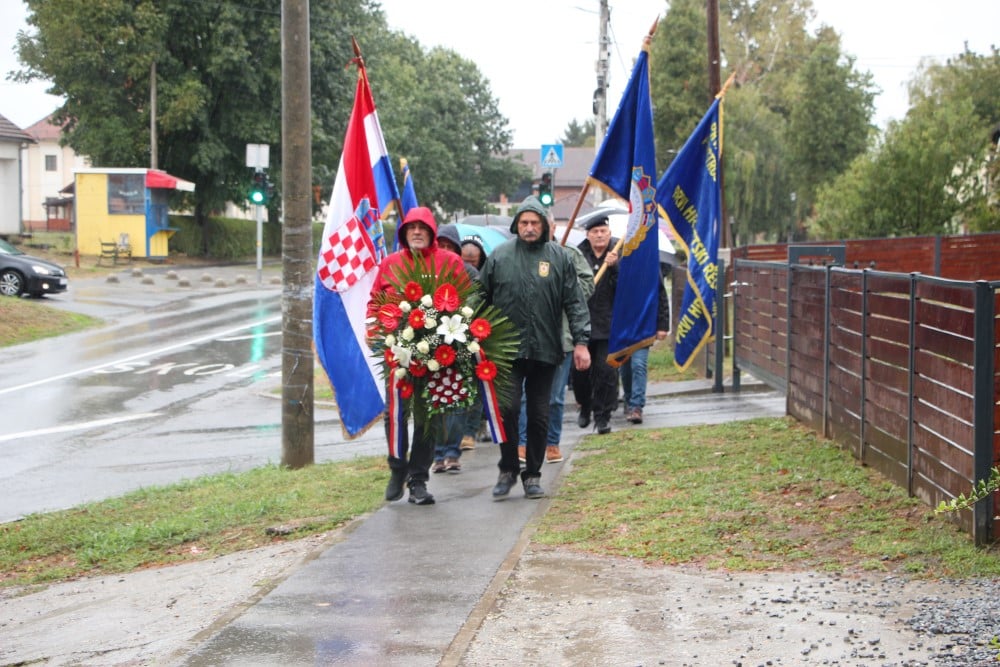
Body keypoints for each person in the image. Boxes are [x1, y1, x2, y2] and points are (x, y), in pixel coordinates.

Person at [479, 195, 591, 500]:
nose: (529, 227)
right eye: (524, 222)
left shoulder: (560, 258)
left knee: (540, 414)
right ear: (517, 224)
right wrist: (473, 332)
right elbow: (479, 297)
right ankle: (508, 468)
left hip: (545, 349)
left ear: (544, 225)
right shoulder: (499, 256)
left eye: (534, 222)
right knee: (508, 408)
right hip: (507, 350)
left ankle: (532, 474)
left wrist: (581, 342)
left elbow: (575, 303)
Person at [368, 207, 468, 506]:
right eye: (411, 228)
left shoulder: (449, 261)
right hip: (397, 352)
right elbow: (375, 301)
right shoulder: (390, 263)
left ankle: (418, 480)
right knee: (395, 413)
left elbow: (466, 298)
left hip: (436, 353)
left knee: (428, 417)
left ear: (432, 232)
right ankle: (397, 467)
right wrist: (372, 326)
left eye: (422, 228)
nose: (416, 232)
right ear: (403, 233)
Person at [518, 225, 595, 464]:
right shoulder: (519, 254)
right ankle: (523, 442)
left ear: (551, 226)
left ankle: (552, 442)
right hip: (529, 337)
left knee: (555, 397)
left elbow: (587, 286)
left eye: (540, 223)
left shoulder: (569, 253)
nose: (533, 227)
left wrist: (561, 284)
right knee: (525, 394)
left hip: (561, 337)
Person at [429, 224, 480, 473]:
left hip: (460, 343)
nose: (445, 250)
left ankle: (452, 452)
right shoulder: (426, 270)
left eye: (450, 246)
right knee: (436, 400)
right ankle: (437, 454)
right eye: (441, 245)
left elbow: (478, 299)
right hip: (431, 344)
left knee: (458, 399)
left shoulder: (469, 272)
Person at [571, 216, 620, 435]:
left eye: (603, 231)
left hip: (608, 325)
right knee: (580, 374)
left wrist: (614, 268)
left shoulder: (618, 254)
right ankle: (585, 405)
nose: (599, 235)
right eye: (595, 232)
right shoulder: (578, 256)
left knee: (606, 373)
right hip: (583, 324)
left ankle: (602, 416)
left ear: (609, 234)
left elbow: (624, 288)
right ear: (588, 235)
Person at [620, 266, 671, 424]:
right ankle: (629, 398)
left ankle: (636, 406)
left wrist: (663, 325)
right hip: (622, 326)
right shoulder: (618, 261)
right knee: (625, 367)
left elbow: (661, 294)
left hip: (643, 325)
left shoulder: (649, 263)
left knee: (639, 364)